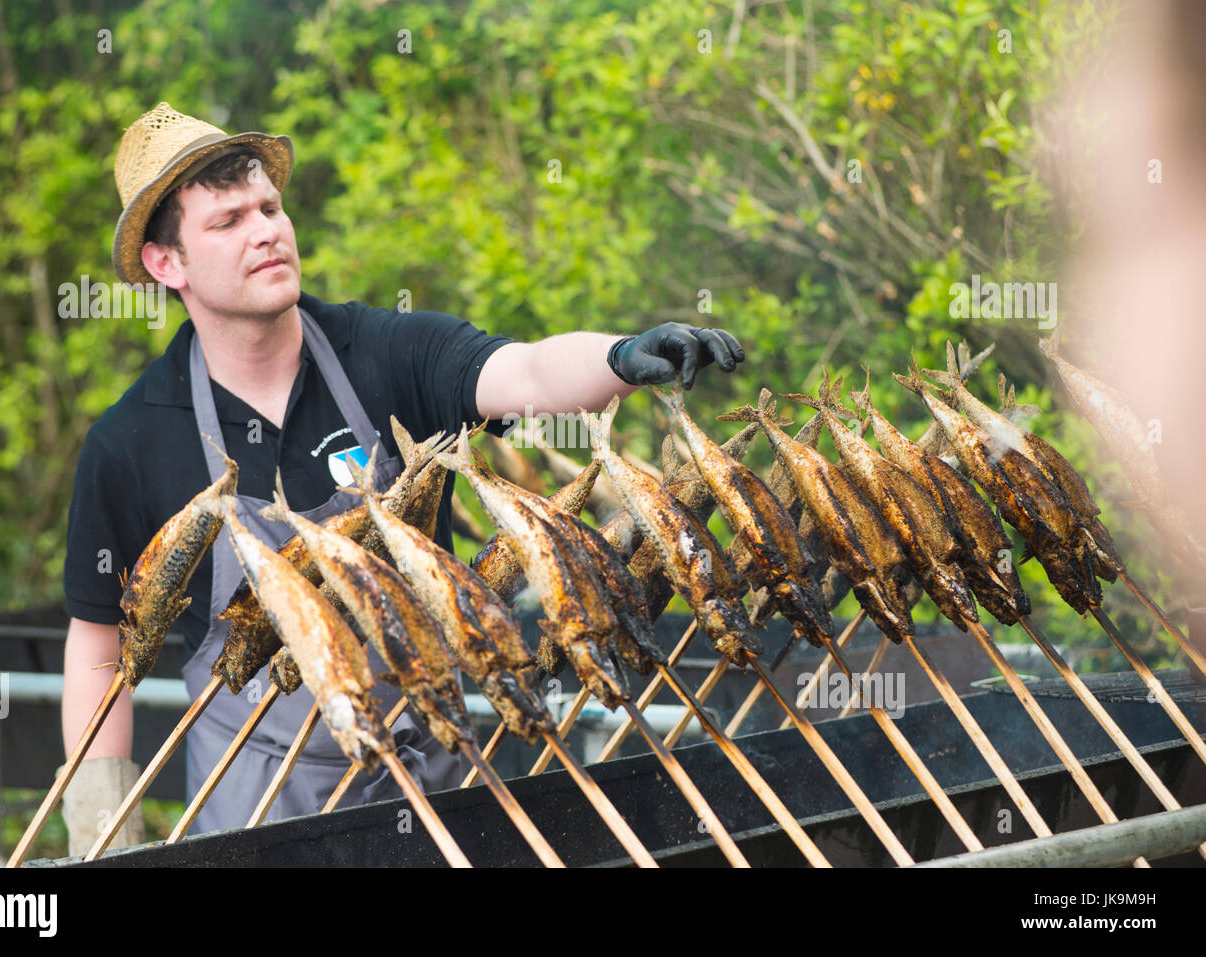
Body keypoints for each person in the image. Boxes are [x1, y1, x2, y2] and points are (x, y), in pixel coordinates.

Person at [60, 102, 746, 853]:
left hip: (434, 798)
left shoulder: (387, 353)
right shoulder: (130, 441)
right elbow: (99, 640)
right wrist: (104, 826)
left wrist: (617, 356)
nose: (266, 230)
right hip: (255, 819)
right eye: (228, 222)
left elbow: (523, 370)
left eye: (270, 207)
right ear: (168, 264)